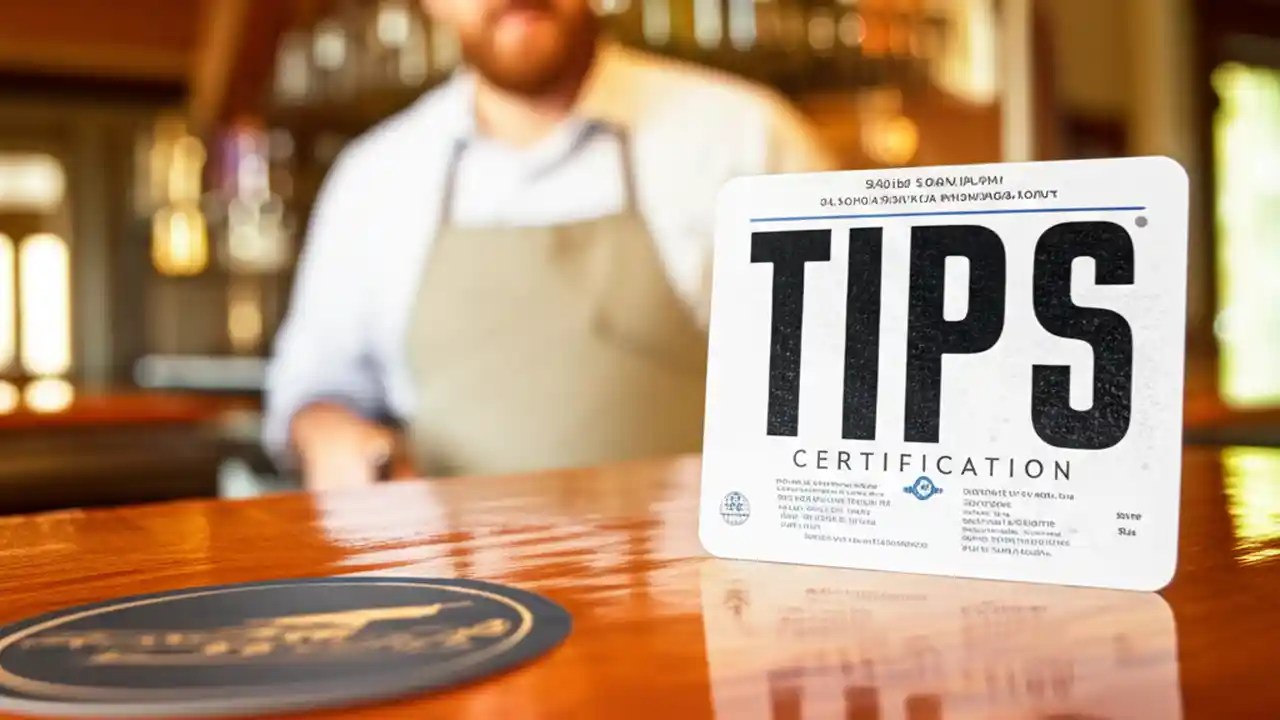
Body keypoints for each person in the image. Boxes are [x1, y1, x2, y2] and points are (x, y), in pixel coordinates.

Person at [263, 0, 837, 490]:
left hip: (699, 596)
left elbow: (849, 376)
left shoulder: (748, 139)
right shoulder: (375, 177)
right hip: (461, 604)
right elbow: (315, 388)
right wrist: (333, 437)